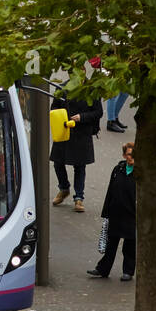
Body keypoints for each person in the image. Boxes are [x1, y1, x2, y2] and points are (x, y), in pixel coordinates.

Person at [50, 59, 104, 212]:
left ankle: (79, 198)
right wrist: (62, 117)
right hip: (64, 131)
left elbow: (98, 112)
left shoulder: (91, 89)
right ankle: (64, 188)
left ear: (83, 71)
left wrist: (82, 117)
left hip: (81, 133)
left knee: (79, 166)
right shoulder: (62, 88)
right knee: (58, 163)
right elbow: (54, 107)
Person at [88, 142, 136, 281]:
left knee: (130, 246)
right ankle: (103, 269)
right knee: (111, 244)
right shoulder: (118, 169)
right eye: (128, 154)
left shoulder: (140, 172)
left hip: (132, 214)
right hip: (116, 213)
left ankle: (128, 271)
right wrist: (106, 212)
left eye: (133, 155)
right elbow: (110, 190)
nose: (131, 157)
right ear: (124, 155)